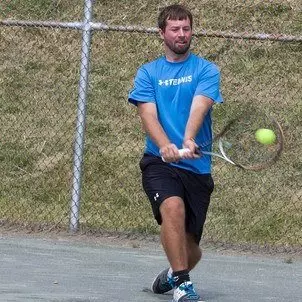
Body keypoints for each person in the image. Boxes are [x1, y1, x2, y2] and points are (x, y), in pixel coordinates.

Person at [128, 4, 223, 302]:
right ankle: (183, 285)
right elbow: (148, 115)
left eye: (186, 28)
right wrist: (165, 146)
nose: (182, 34)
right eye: (175, 29)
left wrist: (188, 138)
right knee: (172, 207)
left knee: (191, 249)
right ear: (162, 33)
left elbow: (201, 103)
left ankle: (173, 273)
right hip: (159, 162)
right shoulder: (148, 73)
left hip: (196, 168)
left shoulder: (206, 69)